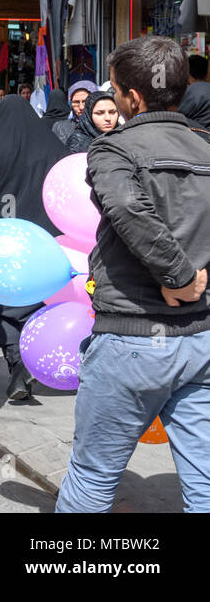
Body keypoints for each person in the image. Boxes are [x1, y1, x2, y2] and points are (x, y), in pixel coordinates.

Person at [57, 35, 210, 512]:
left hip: (135, 337)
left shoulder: (114, 150)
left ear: (133, 97)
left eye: (117, 90)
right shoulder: (205, 146)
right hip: (198, 337)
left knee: (93, 478)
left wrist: (181, 276)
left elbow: (129, 210)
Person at [0, 94, 66, 400]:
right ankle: (30, 362)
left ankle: (17, 359)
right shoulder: (52, 146)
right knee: (38, 302)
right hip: (44, 242)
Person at [180, 53, 210, 129]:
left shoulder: (191, 91)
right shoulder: (206, 88)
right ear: (206, 73)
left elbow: (178, 115)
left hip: (200, 135)